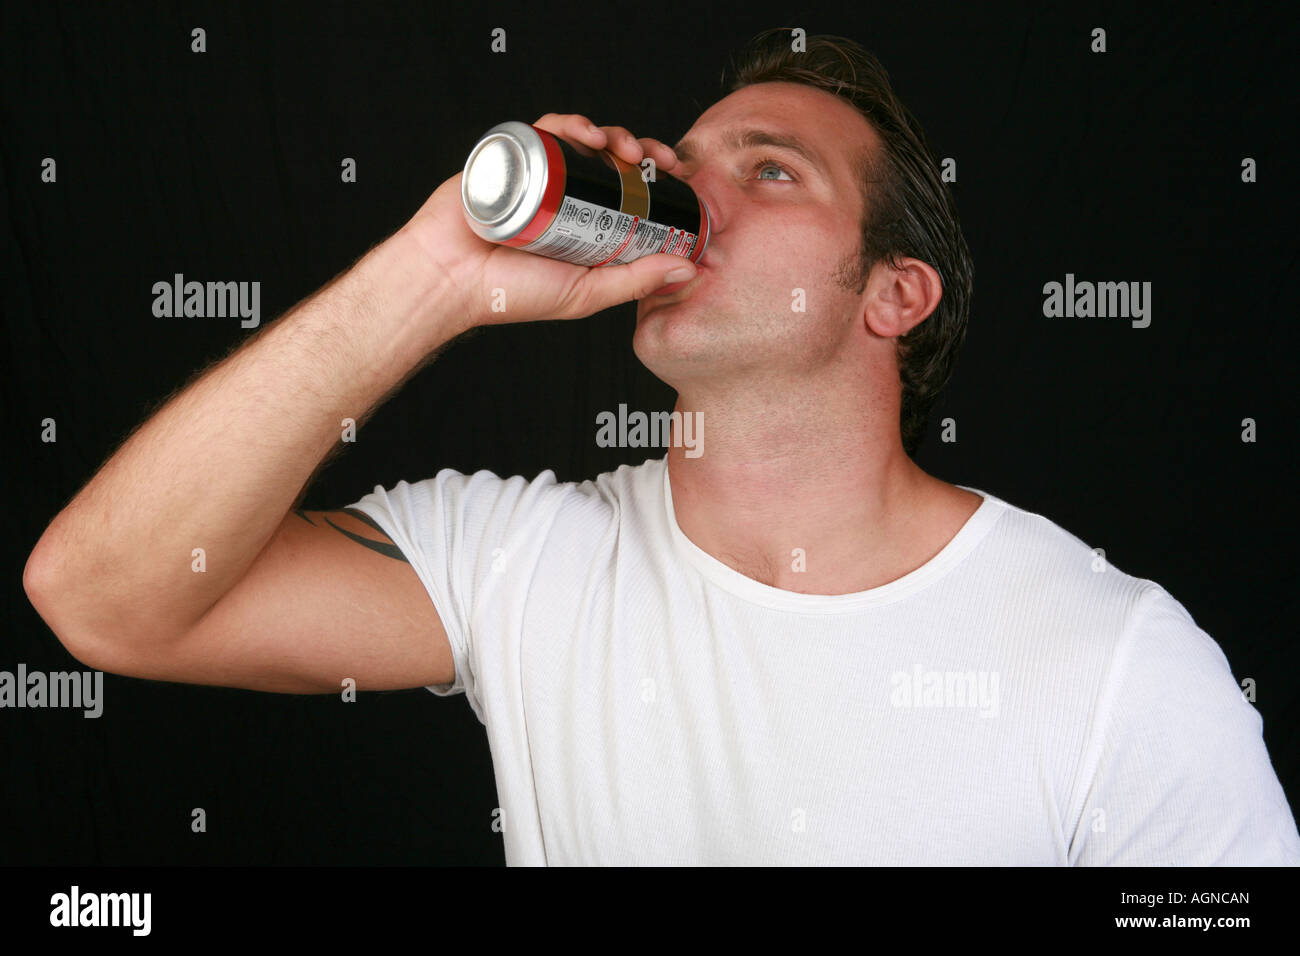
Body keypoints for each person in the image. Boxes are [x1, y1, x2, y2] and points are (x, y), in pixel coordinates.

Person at [23, 30, 1300, 866]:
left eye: (774, 172)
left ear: (891, 295)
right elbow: (103, 600)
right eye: (686, 168)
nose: (700, 197)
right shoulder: (515, 560)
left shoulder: (1120, 668)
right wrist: (436, 274)